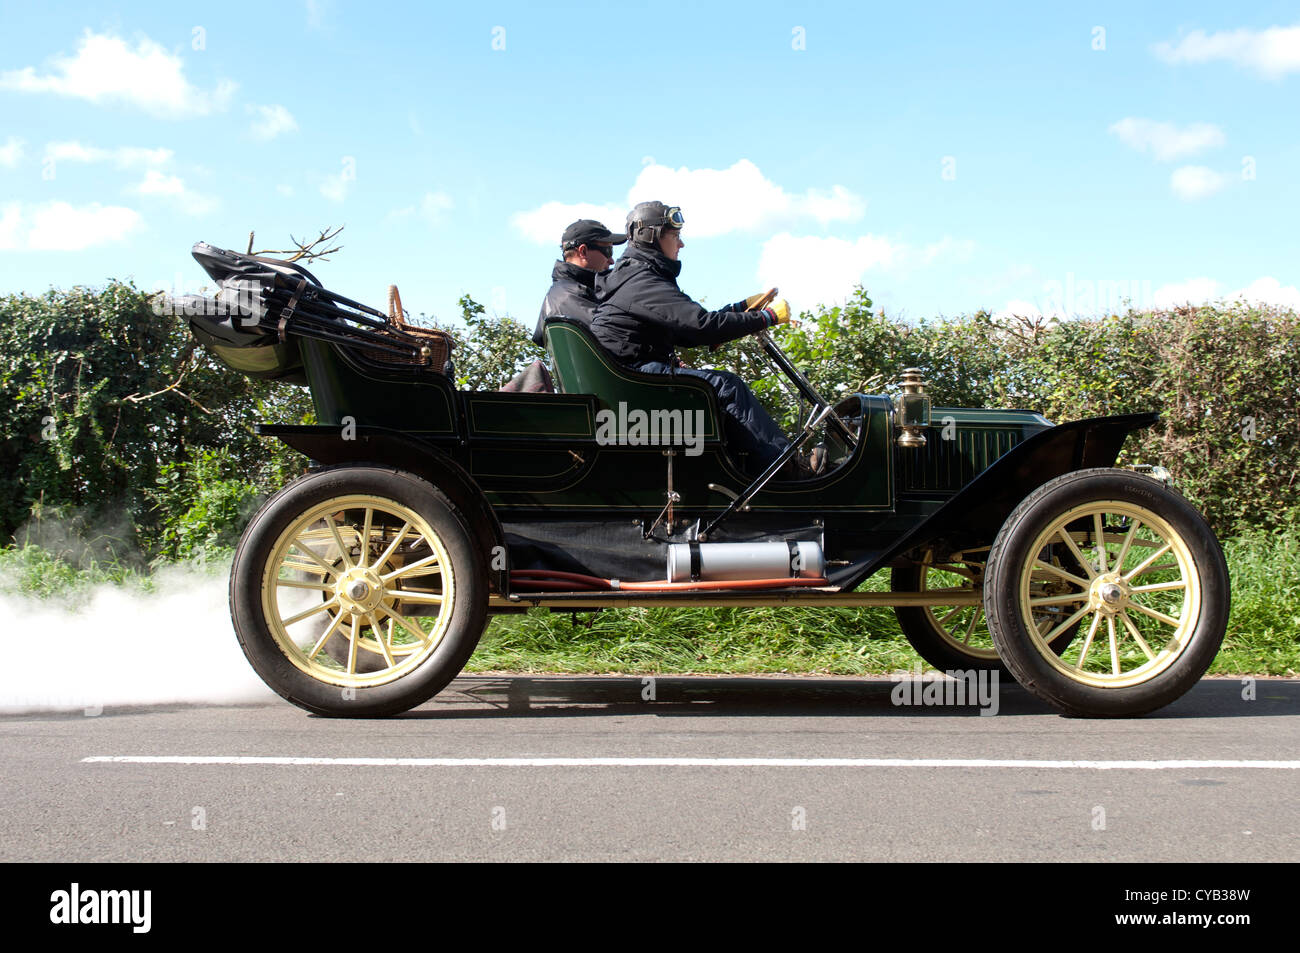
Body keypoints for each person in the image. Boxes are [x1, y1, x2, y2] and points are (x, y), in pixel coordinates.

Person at [590, 201, 796, 473]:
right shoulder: (642, 281)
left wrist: (739, 308)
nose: (681, 244)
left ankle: (748, 469)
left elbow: (685, 330)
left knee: (717, 385)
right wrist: (767, 317)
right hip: (634, 378)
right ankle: (786, 471)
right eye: (675, 236)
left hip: (628, 377)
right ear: (650, 237)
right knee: (727, 387)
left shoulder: (635, 276)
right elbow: (701, 326)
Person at [531, 218, 627, 347]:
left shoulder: (564, 292)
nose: (611, 261)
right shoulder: (570, 296)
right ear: (583, 251)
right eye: (608, 251)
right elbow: (614, 340)